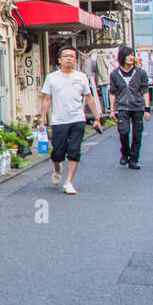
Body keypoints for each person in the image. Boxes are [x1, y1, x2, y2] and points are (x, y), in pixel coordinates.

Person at [41, 46, 104, 194]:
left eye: (72, 56)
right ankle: (57, 168)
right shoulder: (52, 77)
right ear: (59, 60)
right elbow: (46, 99)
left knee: (74, 151)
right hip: (59, 120)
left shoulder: (81, 77)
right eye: (66, 56)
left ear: (76, 60)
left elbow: (88, 97)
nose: (69, 59)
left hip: (77, 119)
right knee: (57, 153)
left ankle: (68, 182)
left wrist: (97, 117)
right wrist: (42, 119)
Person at [108, 45, 151, 169]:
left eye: (132, 55)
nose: (131, 57)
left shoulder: (140, 72)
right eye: (128, 55)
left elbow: (145, 91)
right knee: (124, 131)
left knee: (137, 134)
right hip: (122, 107)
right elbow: (112, 92)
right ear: (122, 57)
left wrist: (147, 109)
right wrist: (112, 110)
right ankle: (125, 153)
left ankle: (133, 159)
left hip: (137, 106)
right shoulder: (115, 74)